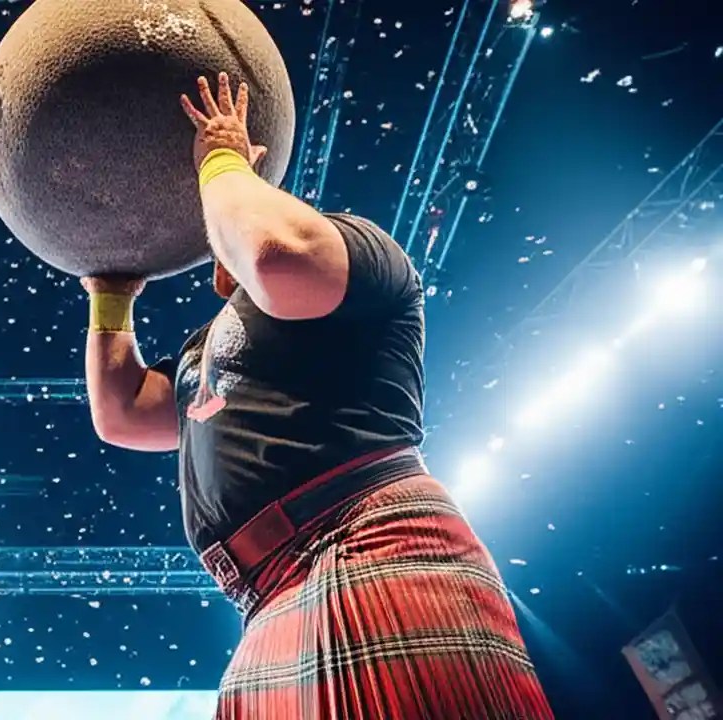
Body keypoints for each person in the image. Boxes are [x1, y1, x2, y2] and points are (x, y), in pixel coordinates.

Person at [81, 72, 553, 719]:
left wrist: (220, 158)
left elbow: (277, 254)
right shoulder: (201, 348)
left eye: (226, 214)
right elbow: (121, 413)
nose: (218, 226)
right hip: (264, 596)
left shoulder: (365, 255)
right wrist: (110, 289)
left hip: (366, 541)